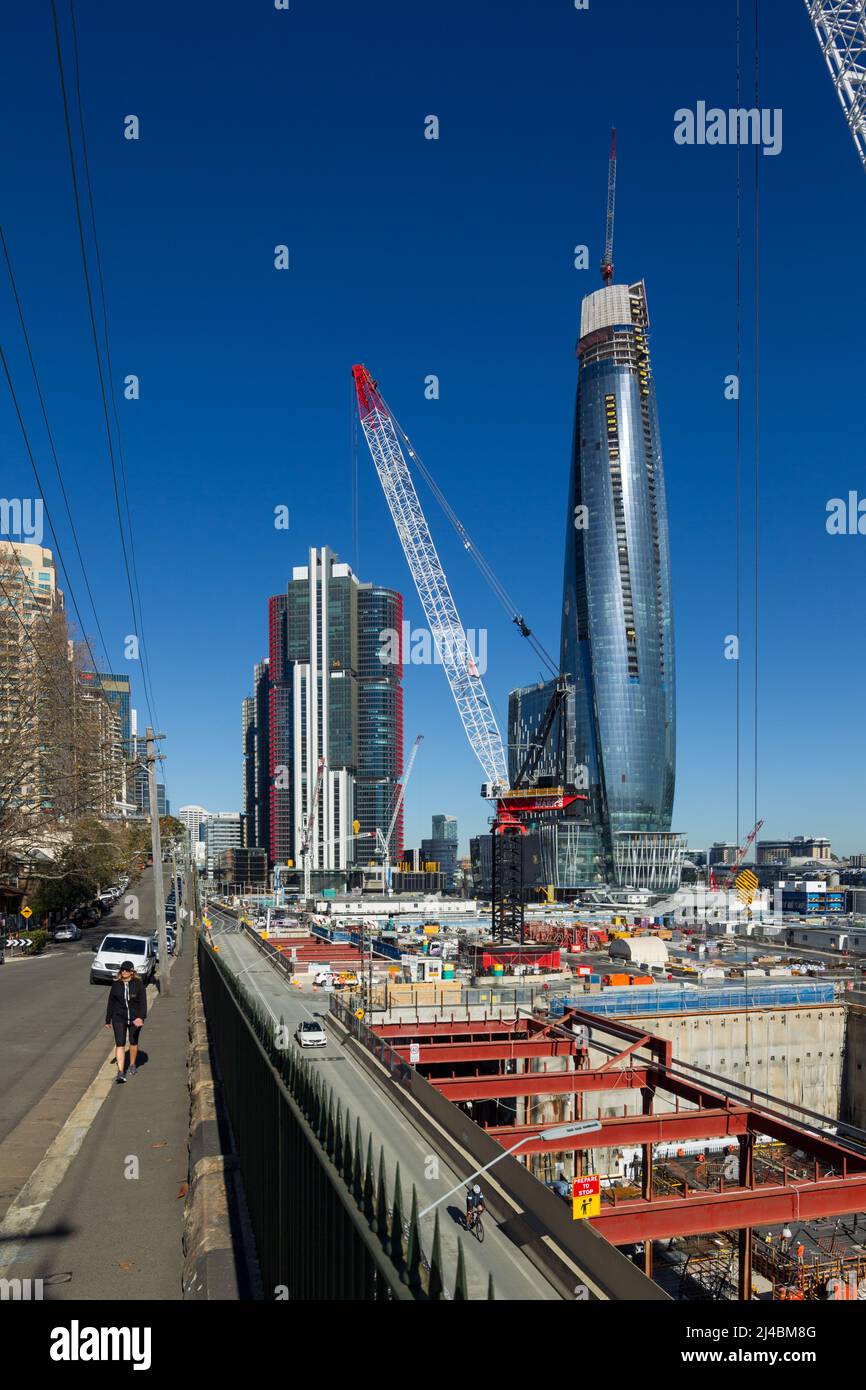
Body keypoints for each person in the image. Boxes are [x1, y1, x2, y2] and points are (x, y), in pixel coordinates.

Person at [105, 960, 147, 1083]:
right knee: (120, 1043)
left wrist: (141, 1017)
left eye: (127, 970)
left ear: (132, 972)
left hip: (135, 1018)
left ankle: (133, 1064)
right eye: (122, 970)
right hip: (119, 1017)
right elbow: (111, 1003)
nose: (124, 972)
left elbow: (143, 1003)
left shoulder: (138, 984)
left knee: (133, 1041)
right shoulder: (116, 985)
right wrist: (108, 1020)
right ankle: (120, 1072)